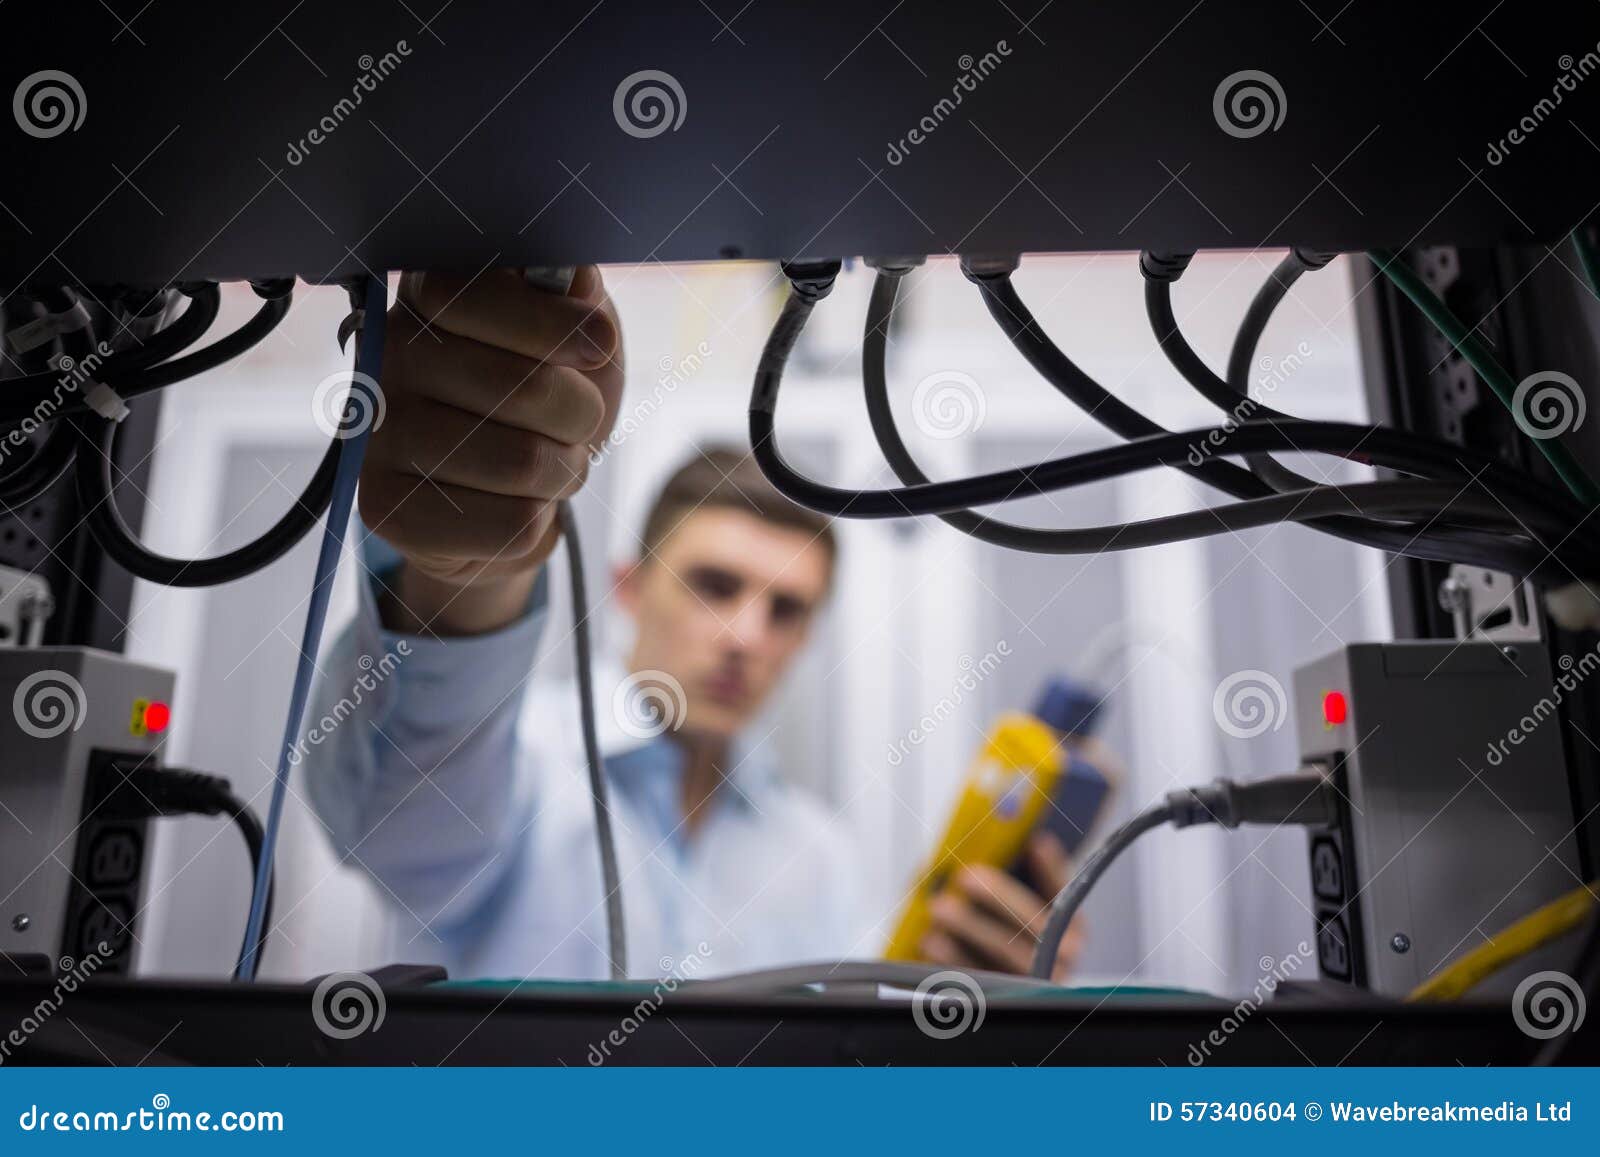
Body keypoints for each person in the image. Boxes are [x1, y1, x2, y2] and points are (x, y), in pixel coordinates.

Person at [302, 266, 1080, 980]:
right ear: (631, 589)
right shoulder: (519, 766)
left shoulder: (818, 857)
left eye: (787, 609)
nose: (747, 635)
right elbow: (405, 820)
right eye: (715, 585)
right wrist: (468, 561)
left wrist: (971, 1001)